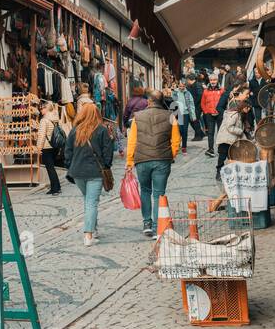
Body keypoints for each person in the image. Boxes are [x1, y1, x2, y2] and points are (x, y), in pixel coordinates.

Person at [125, 89, 180, 236]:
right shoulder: (171, 116)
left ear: (149, 101)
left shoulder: (137, 117)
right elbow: (176, 141)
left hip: (142, 160)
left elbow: (132, 141)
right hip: (162, 159)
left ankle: (147, 223)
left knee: (145, 190)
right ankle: (157, 227)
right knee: (159, 194)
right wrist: (171, 155)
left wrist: (130, 160)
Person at [65, 104, 116, 246]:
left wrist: (69, 165)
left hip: (78, 172)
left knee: (88, 201)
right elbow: (108, 151)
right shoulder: (101, 130)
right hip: (95, 172)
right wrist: (106, 165)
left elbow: (67, 151)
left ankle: (93, 228)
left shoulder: (75, 130)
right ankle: (88, 235)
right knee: (91, 202)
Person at [216, 91, 251, 180]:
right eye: (247, 108)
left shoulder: (241, 115)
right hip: (225, 139)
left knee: (232, 157)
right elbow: (229, 127)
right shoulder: (234, 114)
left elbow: (241, 132)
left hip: (232, 140)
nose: (248, 110)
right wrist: (240, 131)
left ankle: (230, 173)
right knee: (222, 157)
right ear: (243, 107)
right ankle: (218, 173)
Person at [38, 101, 64, 195]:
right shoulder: (55, 119)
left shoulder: (44, 120)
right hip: (55, 146)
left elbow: (41, 135)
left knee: (50, 168)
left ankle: (55, 188)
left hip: (47, 147)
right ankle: (56, 187)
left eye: (42, 108)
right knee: (52, 167)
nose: (40, 110)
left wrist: (39, 148)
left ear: (46, 108)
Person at [170, 81, 195, 156]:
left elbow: (191, 104)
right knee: (179, 130)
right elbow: (172, 103)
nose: (181, 88)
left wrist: (193, 115)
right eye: (180, 86)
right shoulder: (175, 93)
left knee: (185, 131)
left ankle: (184, 147)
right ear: (178, 86)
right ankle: (177, 144)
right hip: (178, 114)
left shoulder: (187, 93)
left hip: (186, 113)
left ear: (185, 86)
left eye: (183, 86)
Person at [201, 75, 223, 157]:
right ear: (209, 81)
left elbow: (225, 102)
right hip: (209, 115)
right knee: (210, 133)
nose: (213, 81)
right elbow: (202, 103)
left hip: (219, 114)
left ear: (217, 80)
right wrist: (206, 112)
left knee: (220, 132)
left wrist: (222, 111)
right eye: (211, 80)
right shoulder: (205, 91)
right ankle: (211, 149)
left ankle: (221, 149)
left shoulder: (221, 90)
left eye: (214, 80)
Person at [187, 74, 206, 141]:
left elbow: (200, 95)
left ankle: (198, 136)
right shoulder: (191, 85)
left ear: (189, 79)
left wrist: (194, 103)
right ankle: (200, 133)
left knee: (195, 121)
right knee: (192, 120)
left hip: (197, 106)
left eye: (187, 80)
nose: (187, 81)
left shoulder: (197, 85)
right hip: (194, 106)